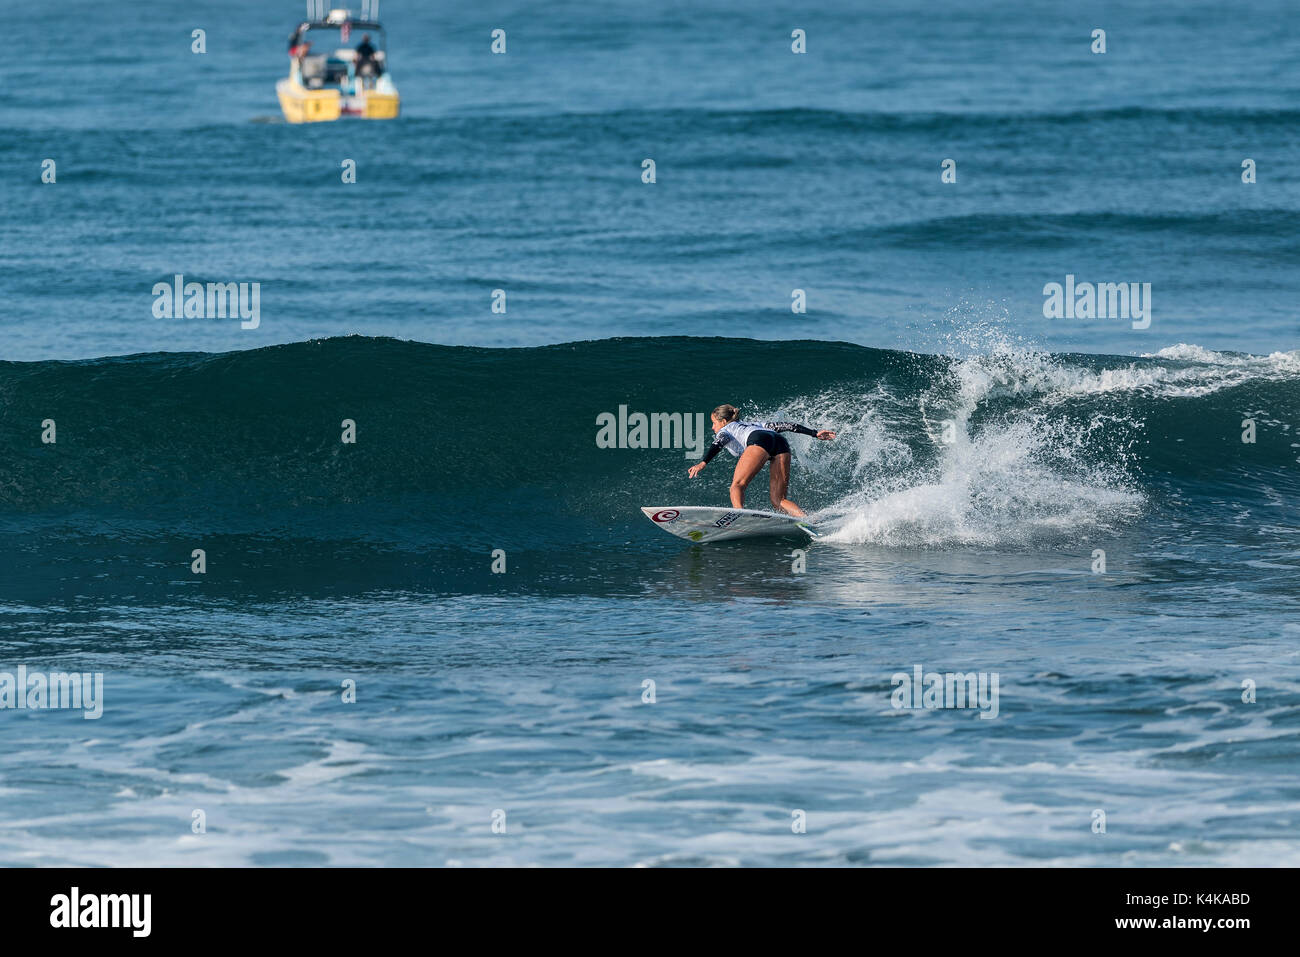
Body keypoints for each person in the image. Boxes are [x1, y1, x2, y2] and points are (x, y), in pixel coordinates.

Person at [687, 404, 835, 517]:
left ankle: (740, 516)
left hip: (759, 441)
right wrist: (814, 433)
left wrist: (703, 462)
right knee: (778, 501)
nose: (713, 427)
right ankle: (806, 520)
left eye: (714, 423)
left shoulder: (726, 429)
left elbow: (718, 443)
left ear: (724, 421)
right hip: (780, 442)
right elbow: (788, 426)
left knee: (737, 486)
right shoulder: (753, 424)